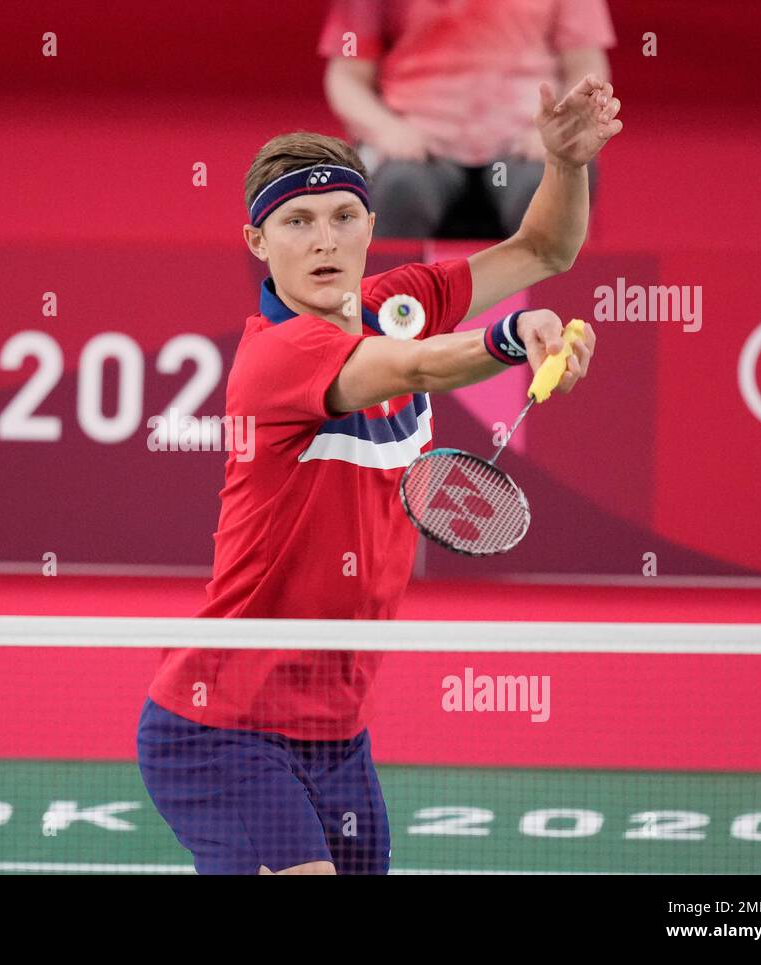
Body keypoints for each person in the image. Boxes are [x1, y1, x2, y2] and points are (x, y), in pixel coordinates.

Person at [137, 75, 621, 874]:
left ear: (371, 225)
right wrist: (510, 336)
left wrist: (563, 165)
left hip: (335, 731)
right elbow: (417, 367)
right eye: (296, 222)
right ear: (259, 241)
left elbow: (543, 251)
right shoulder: (278, 356)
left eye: (342, 218)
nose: (323, 240)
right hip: (221, 722)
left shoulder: (402, 301)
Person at [320, 0, 615, 239]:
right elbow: (347, 76)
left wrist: (558, 128)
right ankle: (382, 309)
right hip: (418, 145)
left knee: (547, 193)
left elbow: (586, 66)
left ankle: (554, 310)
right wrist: (385, 130)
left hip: (526, 143)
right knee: (400, 188)